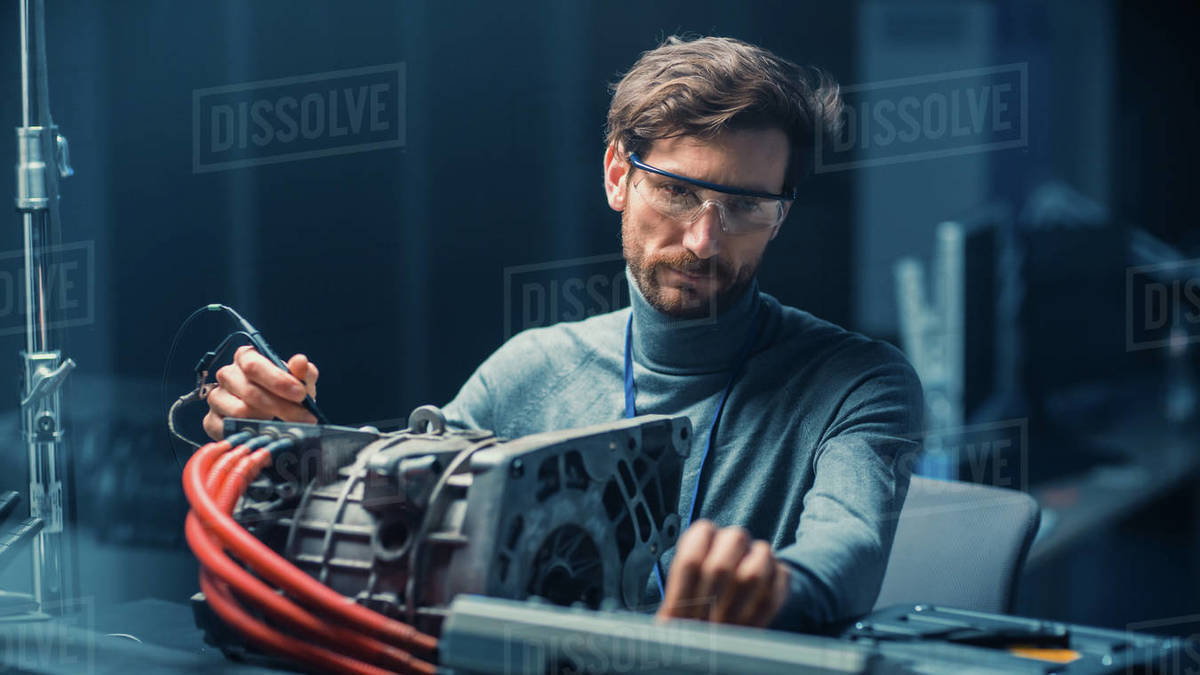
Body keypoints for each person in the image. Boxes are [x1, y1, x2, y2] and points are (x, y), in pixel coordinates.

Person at [202, 35, 923, 633]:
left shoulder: (857, 383)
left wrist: (766, 592)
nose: (705, 240)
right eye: (677, 191)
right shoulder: (532, 368)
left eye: (745, 207)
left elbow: (848, 551)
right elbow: (398, 510)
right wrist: (296, 450)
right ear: (617, 176)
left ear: (781, 215)